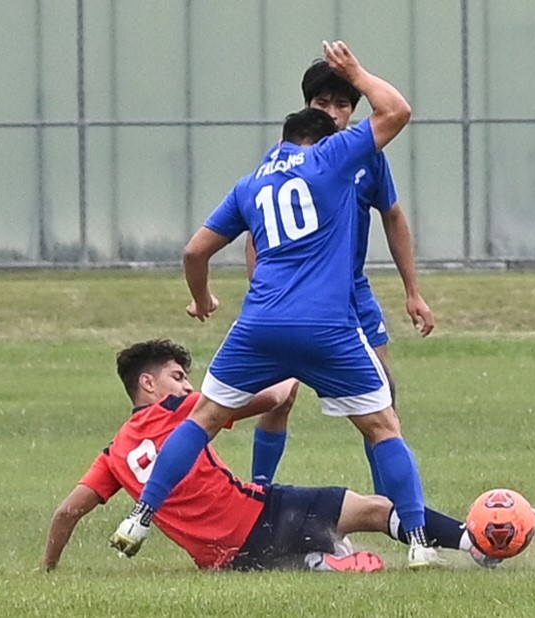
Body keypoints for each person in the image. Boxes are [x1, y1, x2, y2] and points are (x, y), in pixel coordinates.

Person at [108, 40, 440, 569]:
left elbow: (195, 250)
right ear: (317, 132)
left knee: (203, 418)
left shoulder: (252, 182)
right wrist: (357, 71)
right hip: (328, 322)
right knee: (382, 425)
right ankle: (419, 542)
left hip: (260, 321)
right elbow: (397, 110)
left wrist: (203, 298)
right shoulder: (333, 158)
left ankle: (140, 516)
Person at [42, 339, 491, 572]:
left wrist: (49, 570)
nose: (184, 386)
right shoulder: (182, 410)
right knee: (377, 510)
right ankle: (480, 543)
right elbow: (276, 395)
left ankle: (316, 562)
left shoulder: (113, 455)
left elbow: (66, 513)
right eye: (177, 377)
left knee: (299, 548)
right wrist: (290, 356)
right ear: (148, 384)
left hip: (224, 559)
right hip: (257, 516)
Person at [248, 58, 435, 493]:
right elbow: (255, 233)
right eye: (322, 102)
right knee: (280, 395)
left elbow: (393, 215)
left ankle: (393, 509)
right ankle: (258, 494)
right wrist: (262, 292)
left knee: (383, 400)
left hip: (353, 295)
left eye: (342, 104)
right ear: (307, 105)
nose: (332, 112)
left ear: (353, 110)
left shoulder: (366, 157)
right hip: (296, 298)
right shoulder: (286, 161)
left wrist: (413, 292)